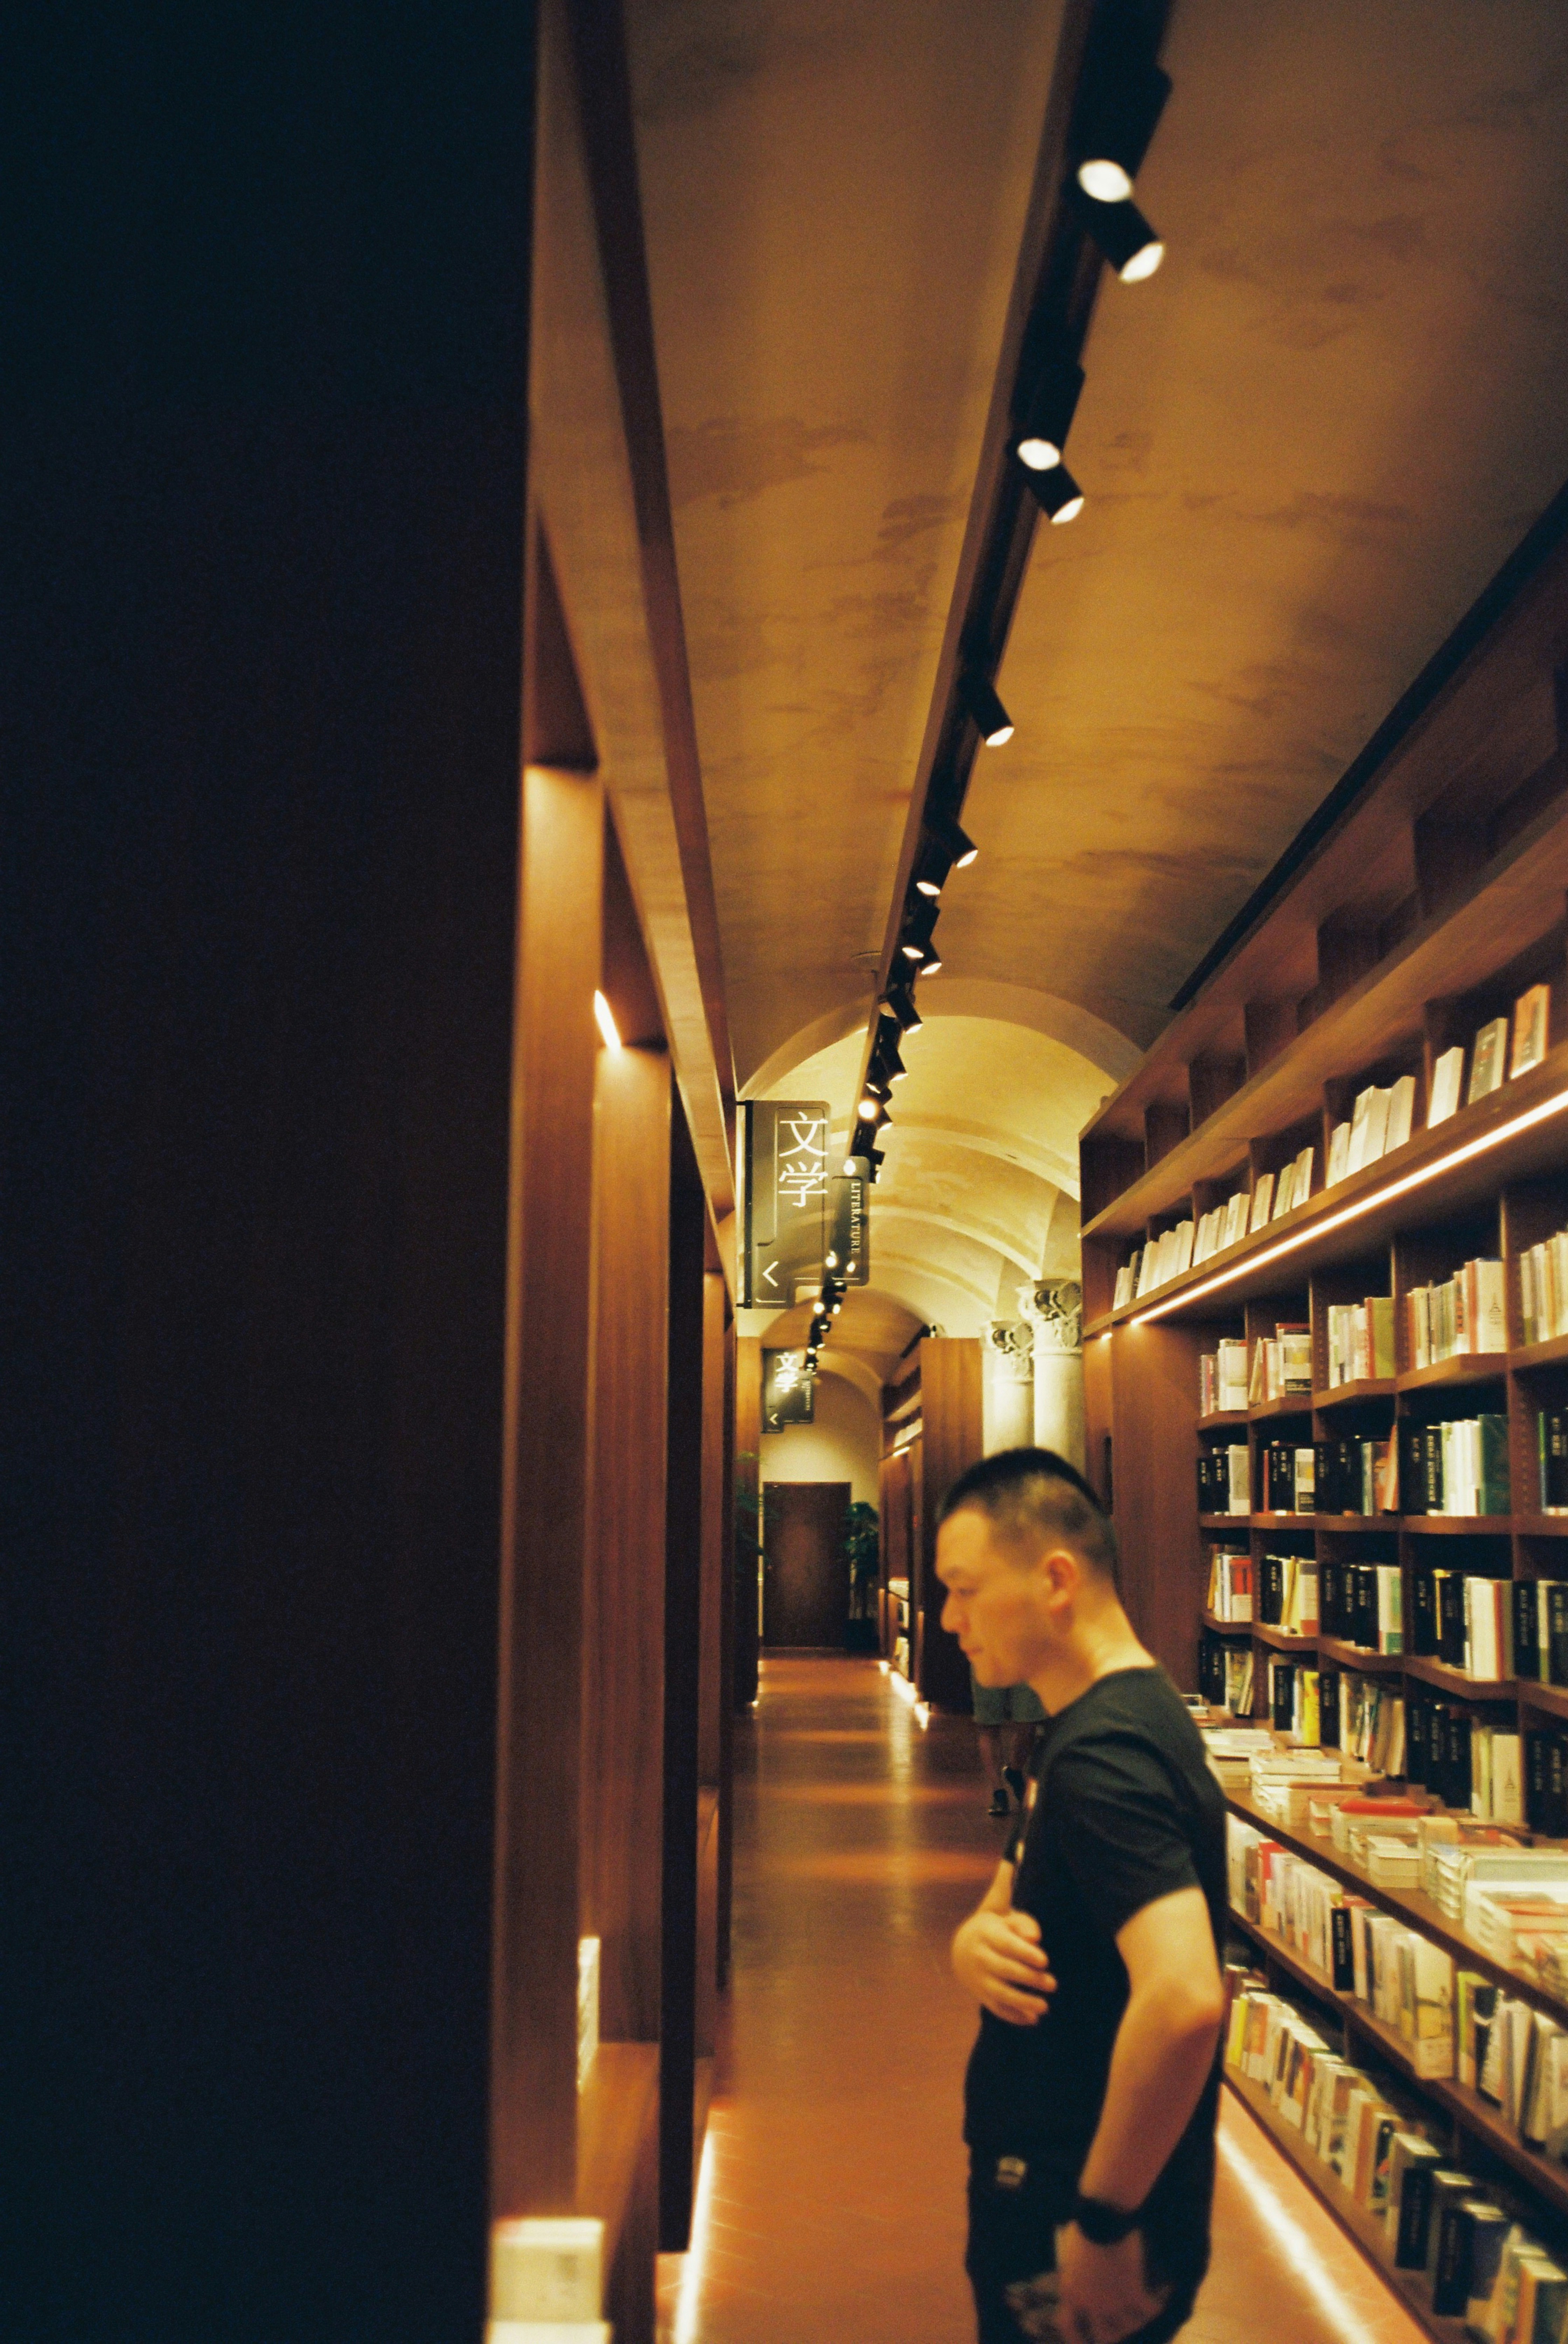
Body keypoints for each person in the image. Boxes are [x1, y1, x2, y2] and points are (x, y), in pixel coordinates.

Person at [938, 1448, 1227, 2344]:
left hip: (1074, 2194)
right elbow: (1009, 1895)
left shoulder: (1106, 1756)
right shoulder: (1088, 1724)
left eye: (965, 1586)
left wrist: (1102, 2221)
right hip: (1072, 2179)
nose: (949, 1617)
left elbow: (1182, 1998)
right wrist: (969, 1943)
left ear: (1054, 1578)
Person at [971, 1669, 1043, 1817]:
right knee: (989, 1726)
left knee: (1028, 1725)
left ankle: (1014, 1770)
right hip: (988, 1656)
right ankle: (999, 1793)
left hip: (1025, 1658)